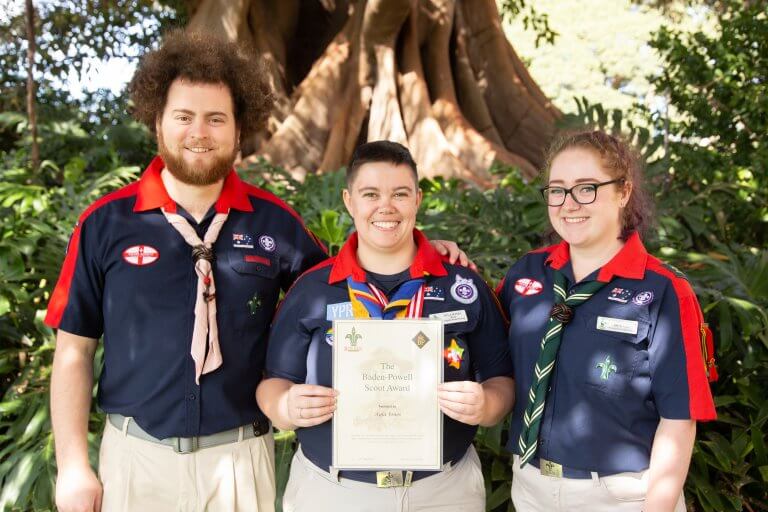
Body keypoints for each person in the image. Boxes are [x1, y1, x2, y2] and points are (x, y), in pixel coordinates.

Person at [46, 32, 468, 512]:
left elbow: (350, 284)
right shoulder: (105, 223)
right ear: (157, 122)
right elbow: (74, 352)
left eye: (215, 119)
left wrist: (416, 250)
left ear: (239, 129)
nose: (199, 132)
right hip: (137, 460)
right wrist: (74, 466)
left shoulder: (276, 224)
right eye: (183, 116)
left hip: (241, 461)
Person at [256, 140, 515, 512]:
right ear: (349, 201)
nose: (386, 207)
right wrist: (284, 406)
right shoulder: (312, 288)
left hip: (444, 491)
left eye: (400, 193)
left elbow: (501, 377)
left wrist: (488, 404)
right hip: (333, 491)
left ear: (417, 199)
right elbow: (273, 380)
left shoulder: (463, 287)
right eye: (370, 194)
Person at [497, 130, 717, 511]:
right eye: (558, 189)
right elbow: (482, 347)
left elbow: (679, 420)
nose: (569, 204)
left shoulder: (664, 290)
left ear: (624, 192)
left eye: (587, 188)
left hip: (623, 496)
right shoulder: (525, 274)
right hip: (531, 489)